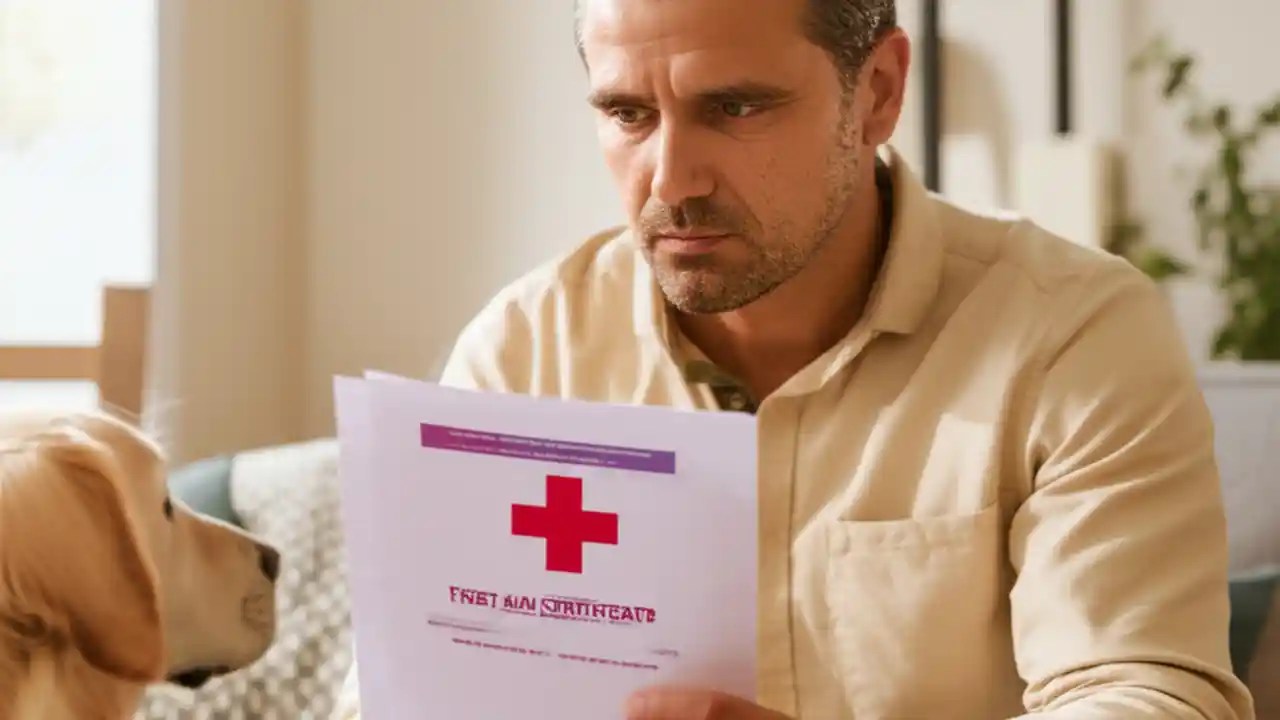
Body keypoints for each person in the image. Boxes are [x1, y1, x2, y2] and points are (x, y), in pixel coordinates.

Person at [334, 0, 1256, 717]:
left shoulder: (1071, 337)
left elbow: (1150, 697)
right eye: (626, 113)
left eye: (735, 107)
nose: (671, 181)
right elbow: (393, 696)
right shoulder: (527, 350)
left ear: (880, 94)